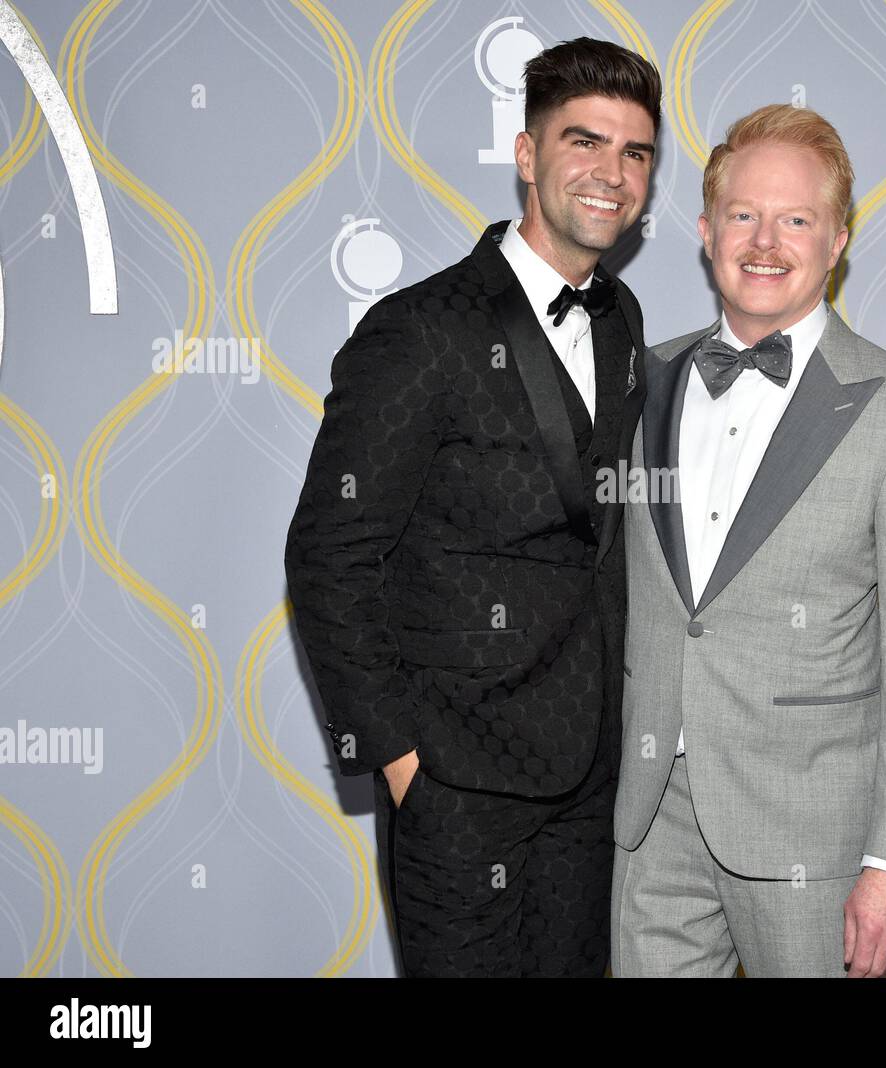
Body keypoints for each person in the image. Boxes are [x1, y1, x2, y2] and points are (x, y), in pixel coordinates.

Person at [284, 37, 659, 977]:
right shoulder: (421, 329)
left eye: (636, 153)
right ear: (528, 157)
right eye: (585, 142)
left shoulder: (622, 322)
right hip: (457, 783)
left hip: (590, 777)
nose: (611, 174)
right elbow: (330, 553)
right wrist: (406, 764)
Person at [612, 103, 886, 978]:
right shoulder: (638, 382)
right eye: (743, 215)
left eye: (796, 219)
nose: (765, 240)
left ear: (837, 240)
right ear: (705, 231)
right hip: (648, 824)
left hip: (821, 837)